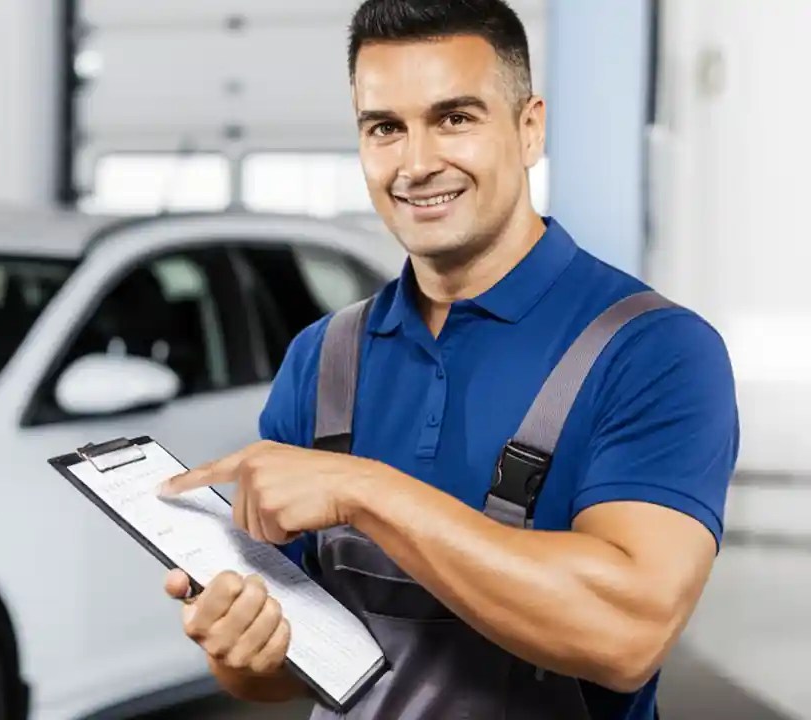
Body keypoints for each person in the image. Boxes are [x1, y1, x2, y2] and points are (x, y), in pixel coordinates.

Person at [157, 0, 740, 718]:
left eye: (454, 118)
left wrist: (363, 491)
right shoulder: (325, 359)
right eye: (386, 129)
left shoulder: (654, 351)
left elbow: (626, 635)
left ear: (529, 129)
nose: (417, 163)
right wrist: (240, 645)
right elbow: (276, 676)